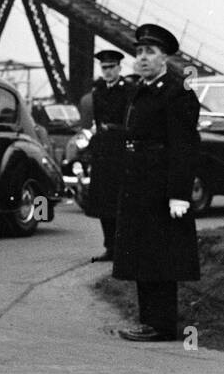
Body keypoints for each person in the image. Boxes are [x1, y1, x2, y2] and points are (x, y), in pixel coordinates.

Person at [112, 24, 201, 342]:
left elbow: (184, 146)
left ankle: (162, 326)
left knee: (162, 257)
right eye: (138, 52)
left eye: (150, 52)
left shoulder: (178, 93)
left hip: (162, 187)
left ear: (165, 58)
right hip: (139, 185)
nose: (142, 57)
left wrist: (179, 194)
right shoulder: (142, 90)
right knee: (143, 254)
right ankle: (147, 320)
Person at [78, 49, 129, 262]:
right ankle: (110, 247)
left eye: (111, 67)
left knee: (120, 204)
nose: (107, 71)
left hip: (121, 154)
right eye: (104, 67)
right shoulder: (98, 93)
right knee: (103, 204)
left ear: (119, 67)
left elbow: (130, 122)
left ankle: (123, 249)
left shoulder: (129, 91)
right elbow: (96, 124)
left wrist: (113, 131)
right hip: (103, 154)